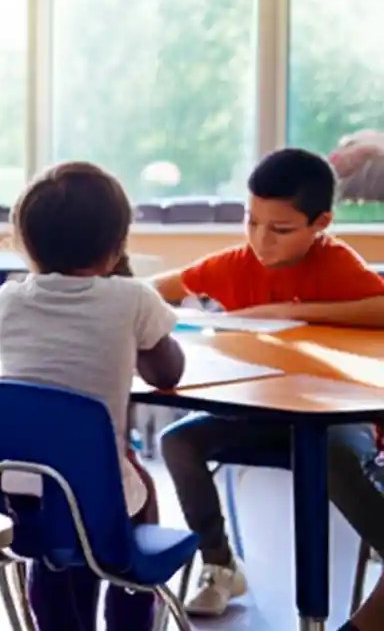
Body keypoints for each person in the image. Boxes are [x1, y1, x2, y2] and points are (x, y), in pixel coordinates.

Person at [151, 147, 384, 616]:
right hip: (257, 415)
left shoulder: (336, 263)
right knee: (177, 441)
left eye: (280, 229)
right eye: (251, 221)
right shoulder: (235, 263)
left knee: (334, 457)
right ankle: (219, 565)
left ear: (321, 223)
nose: (261, 240)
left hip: (332, 416)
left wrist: (290, 312)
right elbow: (153, 291)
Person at [0, 161, 185, 631]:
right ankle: (130, 601)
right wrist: (124, 282)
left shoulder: (8, 300)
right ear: (116, 247)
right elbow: (166, 371)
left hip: (19, 489)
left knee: (62, 518)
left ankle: (58, 614)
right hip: (96, 492)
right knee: (136, 486)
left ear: (26, 245)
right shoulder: (132, 298)